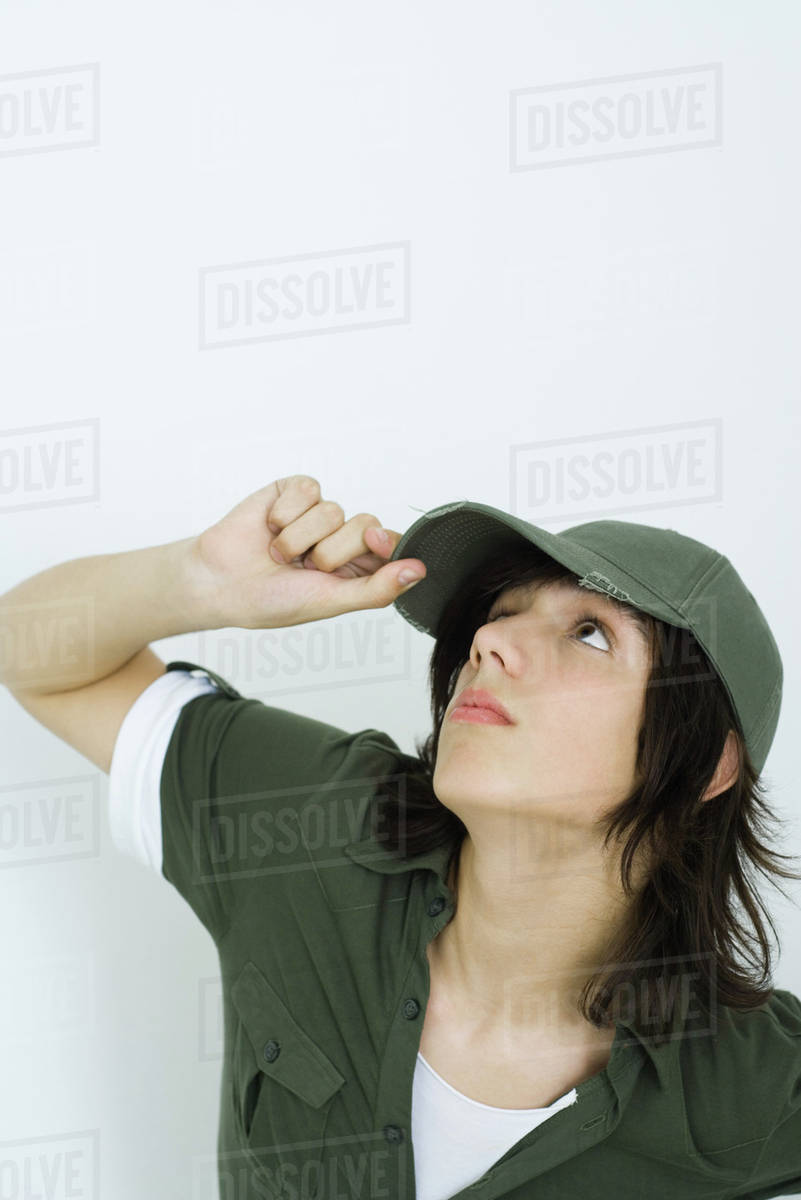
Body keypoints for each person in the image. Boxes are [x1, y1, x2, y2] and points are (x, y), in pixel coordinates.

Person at [3, 474, 800, 1200]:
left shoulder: (760, 1090)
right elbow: (28, 651)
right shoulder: (314, 819)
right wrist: (197, 581)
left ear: (708, 764)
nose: (489, 643)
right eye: (500, 614)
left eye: (589, 633)